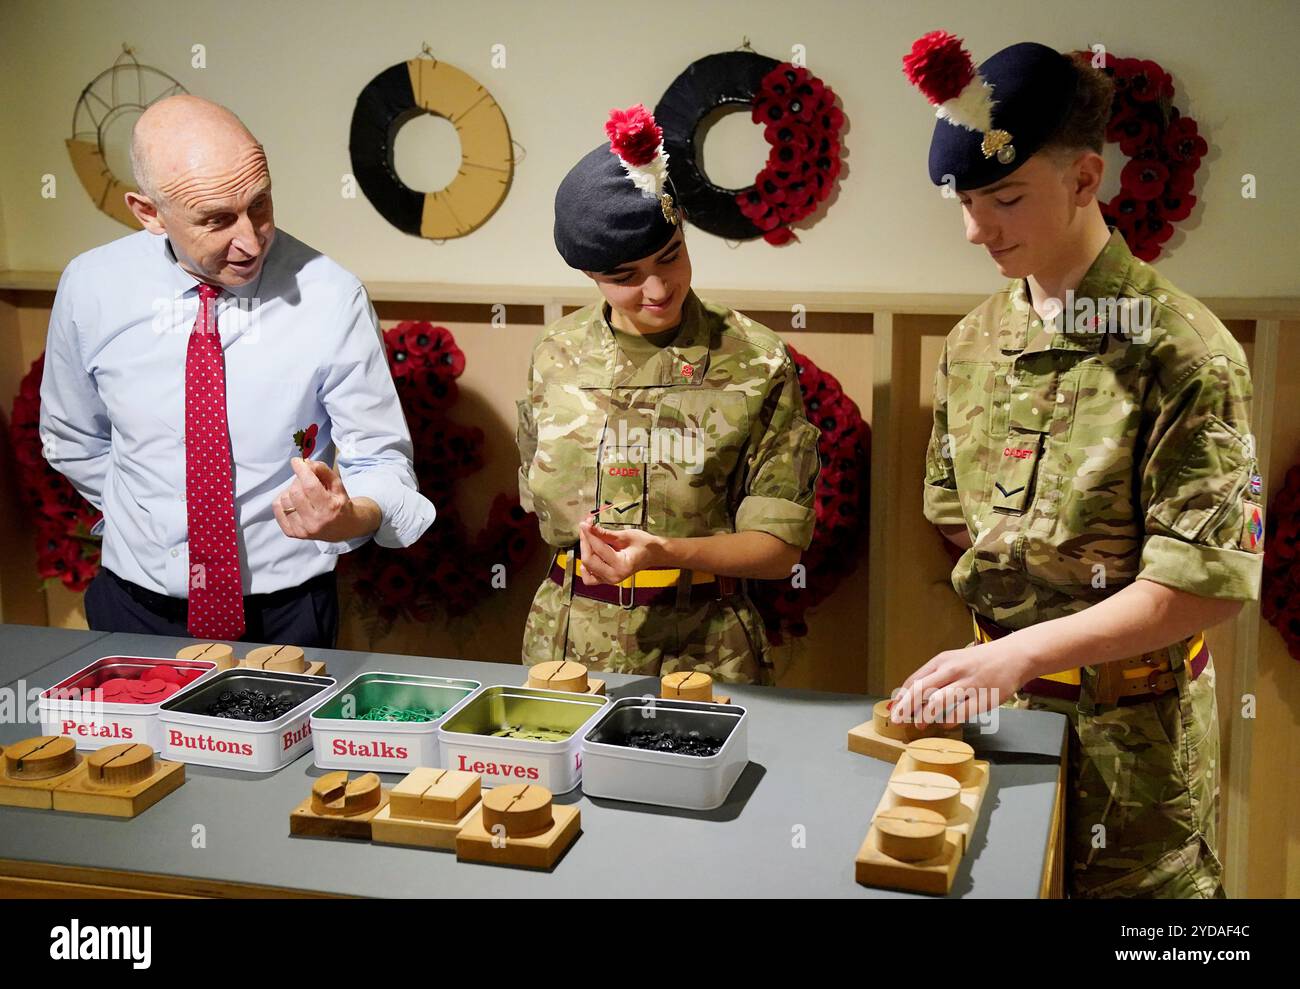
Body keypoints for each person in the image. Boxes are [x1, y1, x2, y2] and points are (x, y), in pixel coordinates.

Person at [896, 33, 1264, 898]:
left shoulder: (1183, 351)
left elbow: (1206, 582)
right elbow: (956, 515)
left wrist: (1023, 652)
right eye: (964, 200)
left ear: (1085, 179)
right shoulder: (974, 342)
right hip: (994, 722)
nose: (975, 229)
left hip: (1132, 748)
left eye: (1004, 198)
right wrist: (1008, 658)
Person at [39, 95, 434, 648]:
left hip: (287, 616)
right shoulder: (91, 287)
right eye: (217, 220)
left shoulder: (330, 295)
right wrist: (152, 516)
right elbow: (72, 438)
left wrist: (347, 517)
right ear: (148, 212)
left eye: (261, 204)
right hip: (132, 608)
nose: (251, 240)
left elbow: (380, 459)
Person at [515, 104, 821, 683]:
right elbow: (537, 503)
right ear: (589, 275)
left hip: (706, 650)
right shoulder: (555, 356)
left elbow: (779, 551)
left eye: (671, 256)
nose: (657, 290)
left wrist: (665, 552)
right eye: (625, 277)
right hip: (565, 648)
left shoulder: (754, 359)